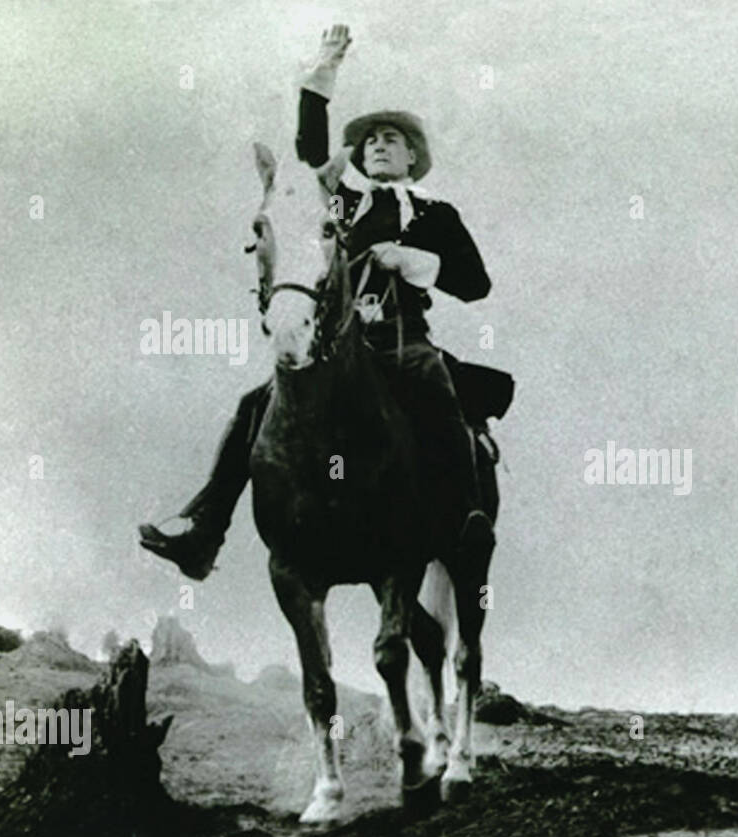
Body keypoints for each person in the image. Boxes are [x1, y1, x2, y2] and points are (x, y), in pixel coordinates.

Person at [139, 24, 495, 580]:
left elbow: (476, 285)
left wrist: (413, 261)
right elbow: (309, 149)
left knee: (438, 391)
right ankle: (206, 529)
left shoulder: (435, 214)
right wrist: (323, 69)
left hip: (404, 341)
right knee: (252, 406)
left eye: (392, 139)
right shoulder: (340, 201)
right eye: (372, 138)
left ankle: (466, 516)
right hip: (336, 342)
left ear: (412, 157)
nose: (379, 144)